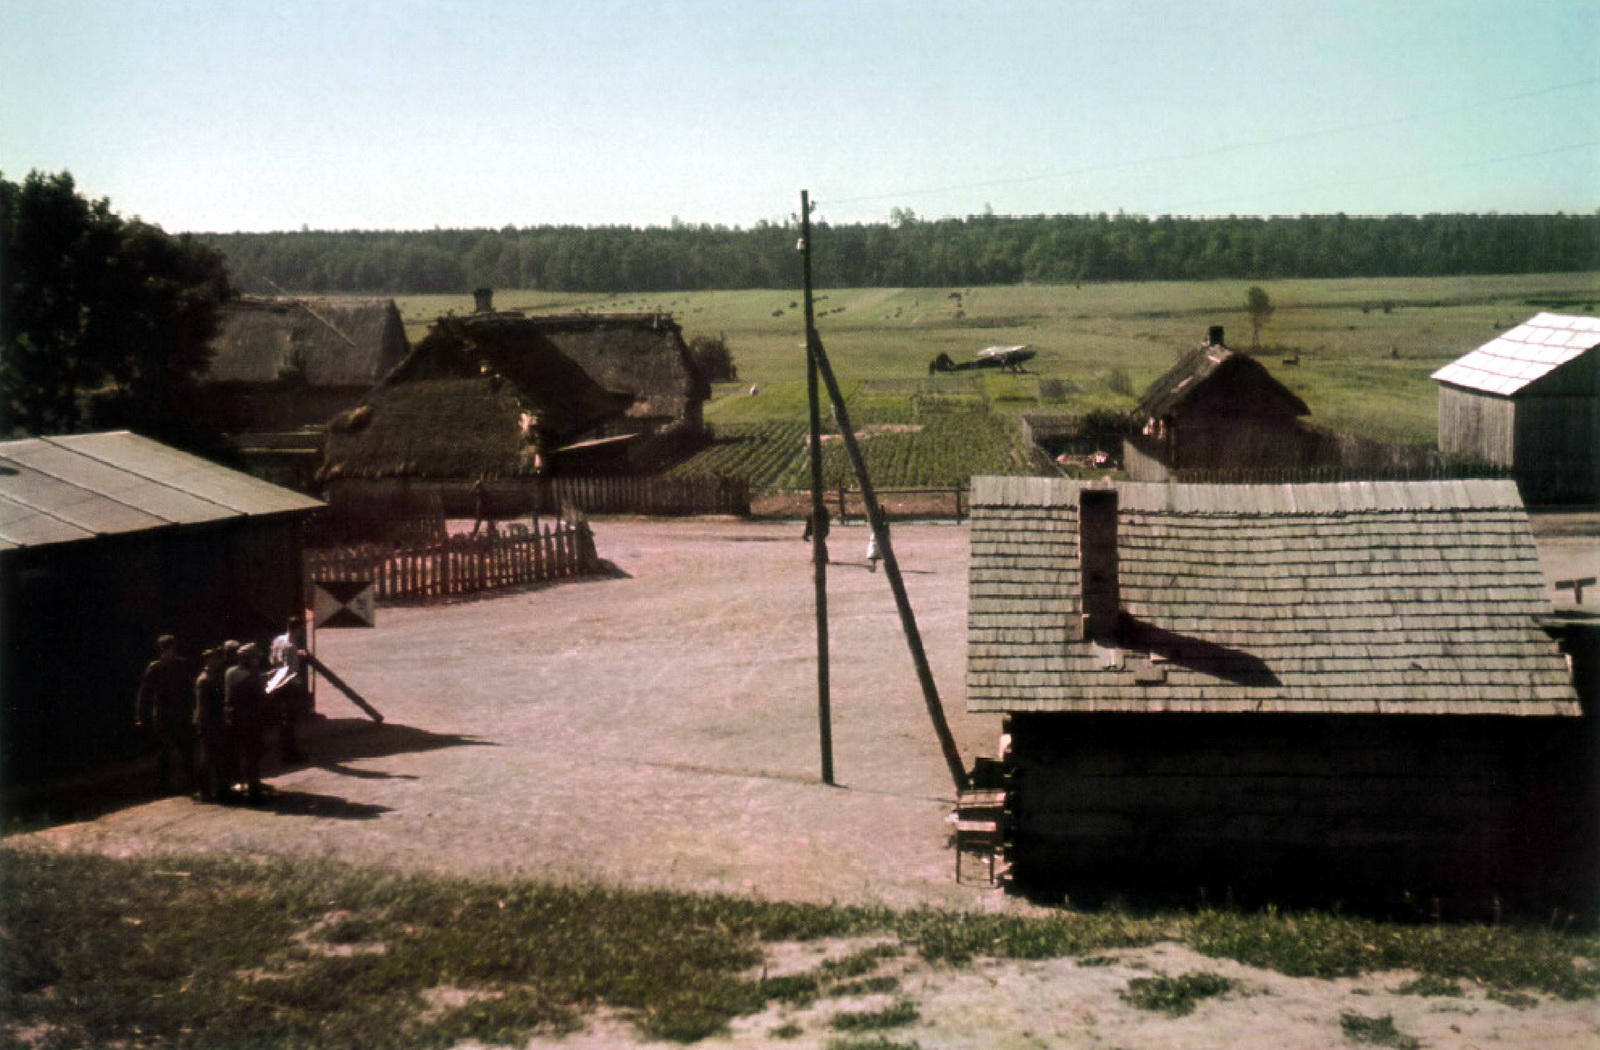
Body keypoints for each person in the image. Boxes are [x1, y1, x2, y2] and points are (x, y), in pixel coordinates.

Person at [134, 634, 194, 795]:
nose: (169, 652)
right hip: (163, 714)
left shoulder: (180, 664)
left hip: (181, 712)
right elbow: (145, 693)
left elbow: (189, 689)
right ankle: (164, 786)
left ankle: (191, 781)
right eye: (166, 649)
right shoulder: (155, 668)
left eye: (171, 648)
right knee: (164, 751)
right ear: (162, 650)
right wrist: (141, 715)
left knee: (186, 748)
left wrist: (193, 709)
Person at [224, 642, 268, 804]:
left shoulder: (230, 672)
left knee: (238, 755)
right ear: (248, 659)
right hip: (250, 721)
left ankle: (240, 784)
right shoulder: (252, 676)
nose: (257, 661)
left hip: (233, 720)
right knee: (252, 756)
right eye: (255, 658)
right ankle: (254, 790)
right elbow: (261, 696)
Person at [193, 647, 234, 803]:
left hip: (214, 721)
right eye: (214, 658)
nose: (218, 661)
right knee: (207, 758)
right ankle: (206, 791)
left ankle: (220, 789)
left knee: (218, 756)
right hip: (208, 722)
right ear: (209, 660)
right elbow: (205, 707)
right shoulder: (204, 680)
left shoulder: (214, 677)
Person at [269, 616, 310, 764]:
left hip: (277, 682)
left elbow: (273, 660)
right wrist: (297, 684)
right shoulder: (291, 647)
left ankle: (286, 750)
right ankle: (290, 753)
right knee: (290, 721)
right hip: (289, 685)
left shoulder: (278, 640)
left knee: (283, 719)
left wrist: (296, 654)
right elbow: (290, 670)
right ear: (298, 629)